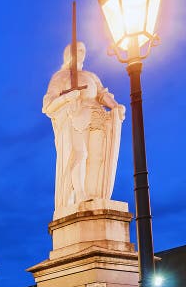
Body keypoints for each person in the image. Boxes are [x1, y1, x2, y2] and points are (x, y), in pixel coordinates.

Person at [42, 42, 125, 213]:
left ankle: (94, 194)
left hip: (96, 116)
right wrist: (67, 98)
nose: (80, 53)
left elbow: (102, 94)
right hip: (75, 116)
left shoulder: (91, 76)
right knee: (80, 154)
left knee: (97, 157)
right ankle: (79, 194)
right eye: (77, 50)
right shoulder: (60, 77)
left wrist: (116, 106)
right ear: (68, 54)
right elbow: (48, 105)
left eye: (82, 50)